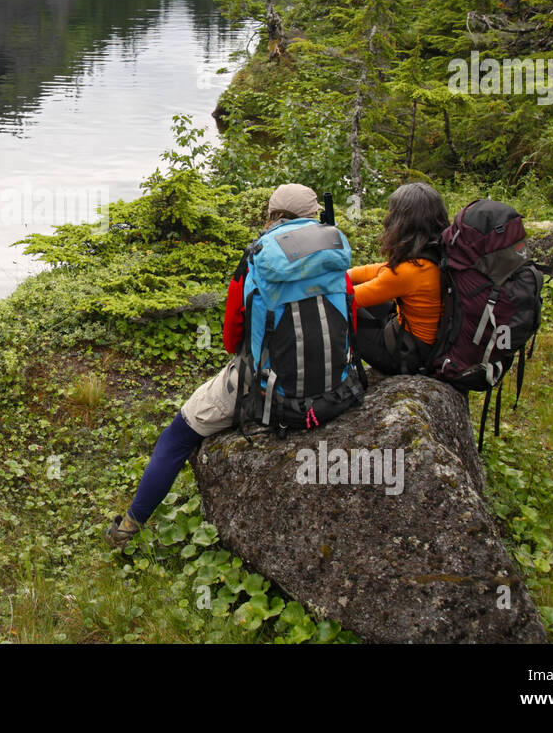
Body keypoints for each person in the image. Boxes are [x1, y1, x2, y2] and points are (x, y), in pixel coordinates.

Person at [106, 184, 332, 548]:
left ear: (274, 216)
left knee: (176, 436)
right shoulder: (334, 251)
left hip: (269, 386)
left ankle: (127, 528)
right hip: (333, 383)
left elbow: (231, 339)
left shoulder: (256, 258)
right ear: (313, 217)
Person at [347, 182, 449, 377]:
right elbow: (384, 270)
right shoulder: (437, 253)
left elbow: (345, 298)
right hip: (432, 345)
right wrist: (348, 273)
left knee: (339, 307)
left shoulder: (409, 272)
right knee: (355, 289)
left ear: (401, 222)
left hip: (409, 356)